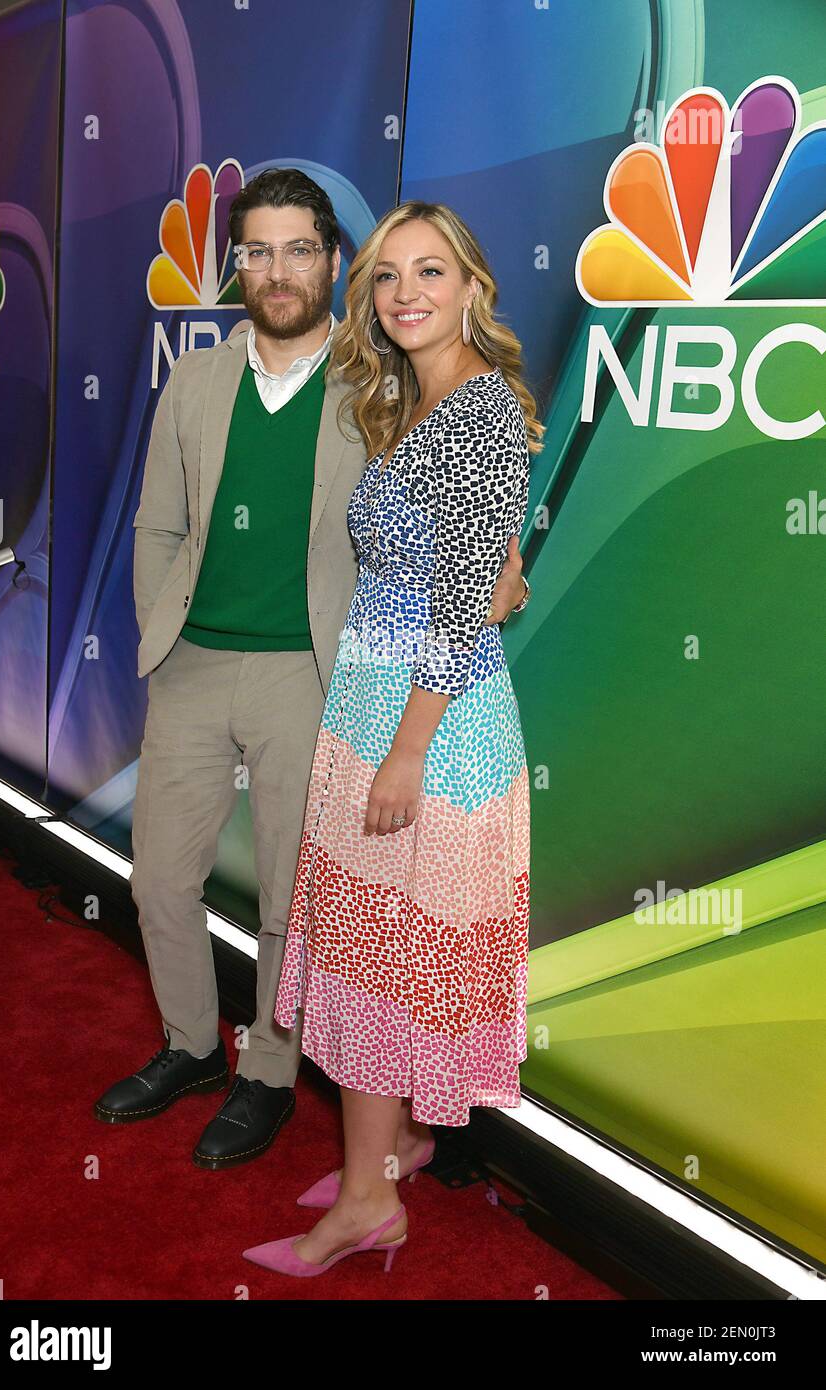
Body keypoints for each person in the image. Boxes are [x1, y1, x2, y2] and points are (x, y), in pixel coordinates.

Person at [93, 170, 529, 1169]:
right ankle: (191, 1046)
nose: (278, 269)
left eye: (300, 249)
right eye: (257, 250)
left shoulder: (373, 388)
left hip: (316, 675)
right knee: (158, 876)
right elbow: (158, 524)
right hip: (194, 668)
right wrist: (162, 629)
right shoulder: (194, 380)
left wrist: (505, 577)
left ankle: (267, 1075)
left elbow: (464, 523)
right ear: (234, 264)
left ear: (333, 264)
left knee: (299, 900)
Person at [242, 200, 542, 1277]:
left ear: (471, 287)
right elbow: (484, 567)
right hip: (374, 710)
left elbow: (461, 609)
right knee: (378, 956)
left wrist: (407, 749)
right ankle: (397, 1144)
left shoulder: (476, 411)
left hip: (429, 729)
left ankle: (368, 1199)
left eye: (431, 271)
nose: (406, 293)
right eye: (385, 275)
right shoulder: (415, 404)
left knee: (373, 966)